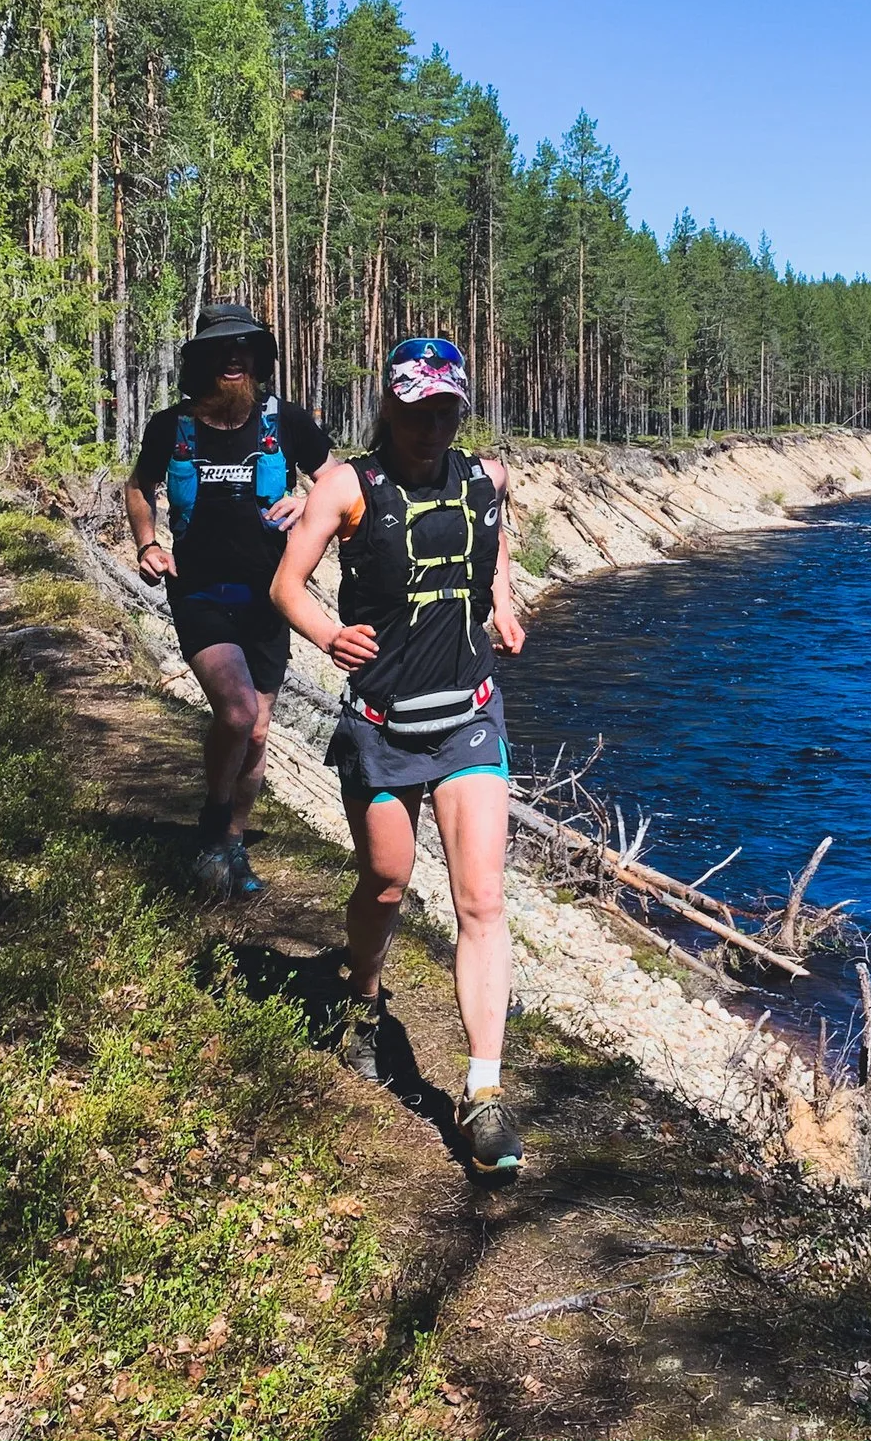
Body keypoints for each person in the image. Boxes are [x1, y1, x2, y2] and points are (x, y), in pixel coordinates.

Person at [270, 336, 529, 1173]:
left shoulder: (486, 477)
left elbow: (489, 547)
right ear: (388, 404)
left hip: (468, 715)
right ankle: (361, 997)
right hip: (381, 722)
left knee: (481, 897)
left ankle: (482, 1094)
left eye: (445, 407)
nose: (431, 423)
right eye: (417, 407)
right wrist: (326, 632)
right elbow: (286, 583)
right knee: (384, 881)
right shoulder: (349, 484)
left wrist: (504, 601)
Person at [126, 304, 333, 899]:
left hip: (271, 599)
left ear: (259, 358)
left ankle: (232, 843)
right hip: (199, 593)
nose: (233, 358)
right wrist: (148, 544)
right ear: (203, 362)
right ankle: (214, 825)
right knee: (239, 713)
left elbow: (341, 483)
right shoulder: (172, 426)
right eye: (221, 350)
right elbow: (138, 486)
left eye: (244, 348)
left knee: (260, 732)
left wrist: (310, 505)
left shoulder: (286, 422)